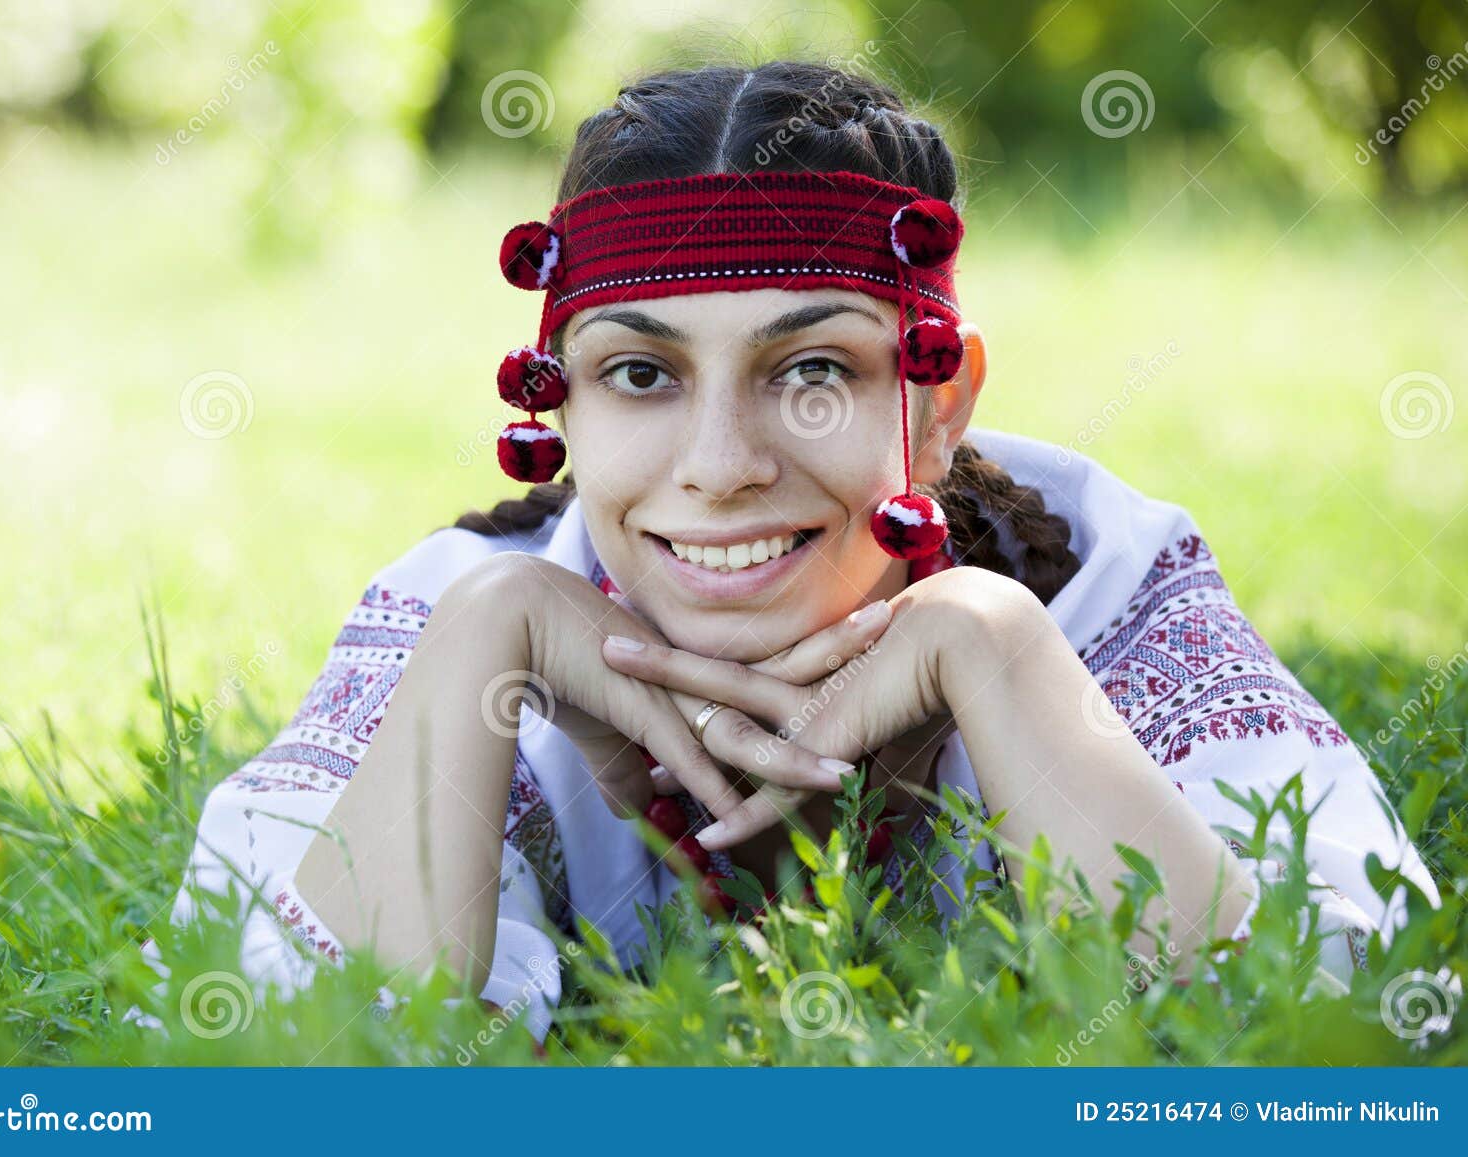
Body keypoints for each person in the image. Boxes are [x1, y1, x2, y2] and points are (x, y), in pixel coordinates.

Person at [170, 60, 1439, 1042]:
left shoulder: (1104, 586)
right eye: (639, 373)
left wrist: (991, 654)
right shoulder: (461, 621)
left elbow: (1334, 1021)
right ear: (558, 405)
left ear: (937, 403)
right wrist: (480, 652)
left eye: (813, 369)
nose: (720, 463)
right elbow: (285, 1050)